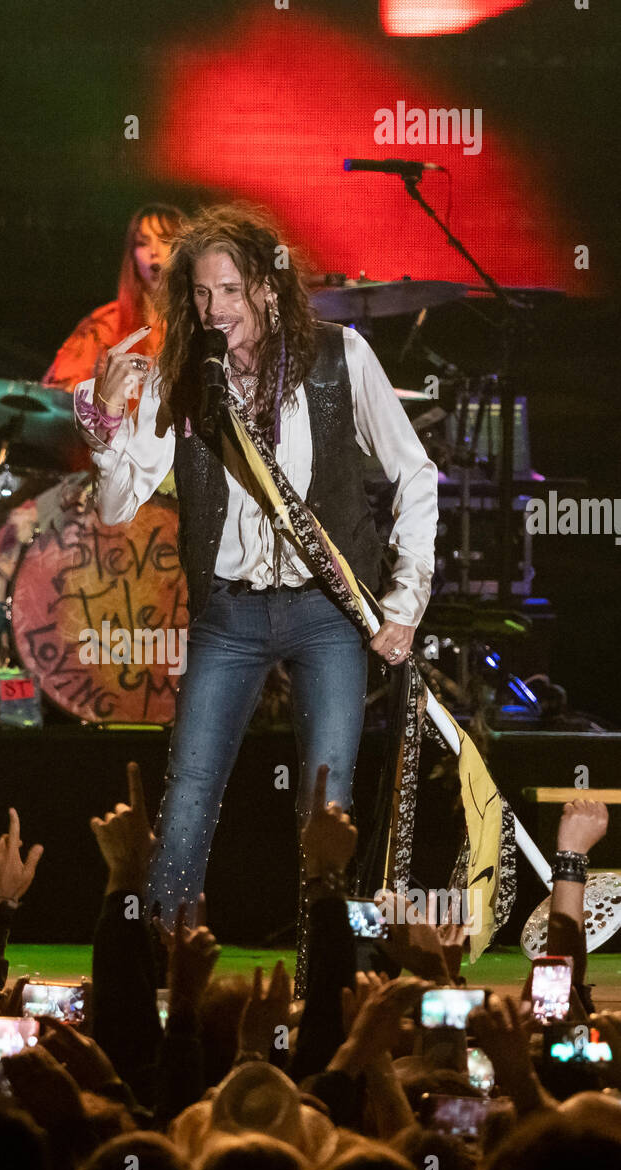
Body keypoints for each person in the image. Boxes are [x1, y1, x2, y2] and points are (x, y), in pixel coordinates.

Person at [74, 203, 438, 928]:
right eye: (201, 294)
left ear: (268, 291)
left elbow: (415, 472)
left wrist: (405, 599)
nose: (214, 309)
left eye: (229, 291)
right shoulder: (181, 379)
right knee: (189, 791)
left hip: (327, 609)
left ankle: (323, 975)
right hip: (229, 614)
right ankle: (161, 967)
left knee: (324, 803)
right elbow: (116, 506)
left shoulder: (340, 357)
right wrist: (106, 425)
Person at [42, 203, 184, 393]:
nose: (154, 251)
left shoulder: (203, 327)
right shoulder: (105, 326)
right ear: (132, 257)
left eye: (165, 240)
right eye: (143, 243)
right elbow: (55, 399)